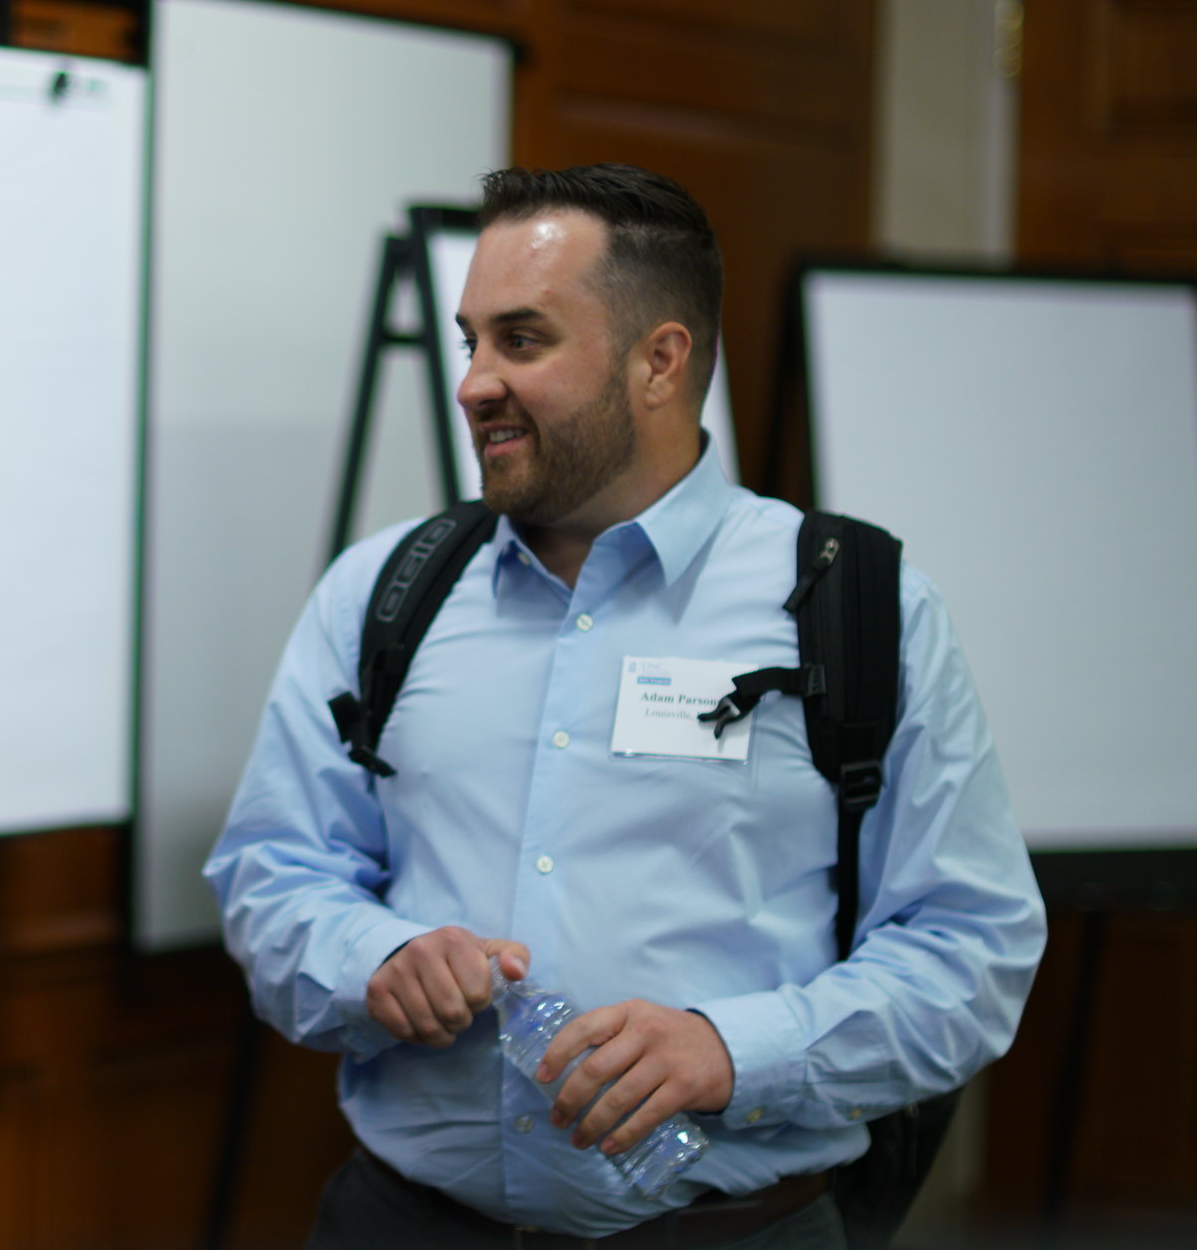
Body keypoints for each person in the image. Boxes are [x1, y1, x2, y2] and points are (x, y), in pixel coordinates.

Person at [204, 164, 1046, 1248]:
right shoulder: (383, 593)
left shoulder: (856, 607)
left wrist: (734, 1049)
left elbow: (967, 949)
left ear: (660, 359)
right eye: (471, 341)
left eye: (522, 339)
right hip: (403, 1222)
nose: (472, 383)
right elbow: (270, 872)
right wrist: (370, 958)